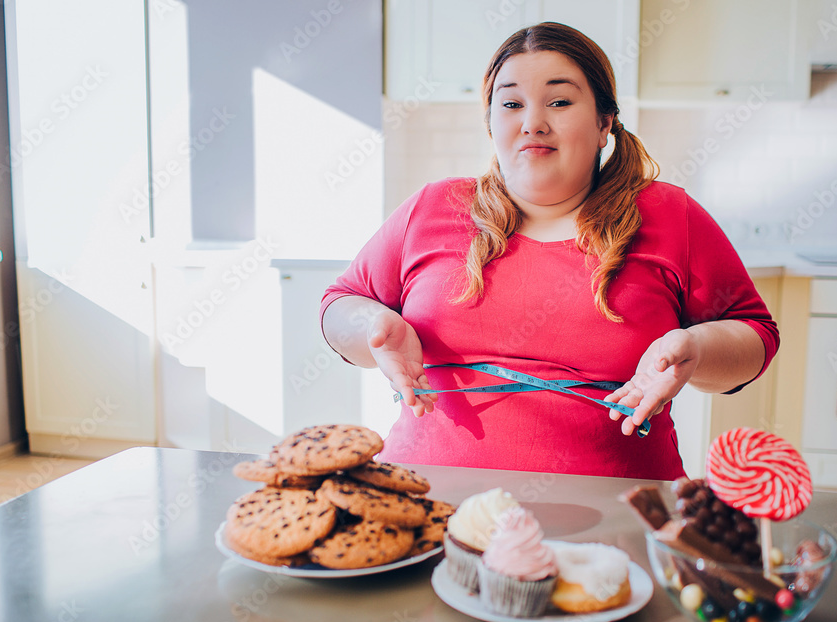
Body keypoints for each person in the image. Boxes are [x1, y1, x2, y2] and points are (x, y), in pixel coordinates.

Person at [319, 22, 778, 480]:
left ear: (604, 123)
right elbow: (338, 305)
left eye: (558, 102)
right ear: (491, 122)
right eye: (512, 104)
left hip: (618, 520)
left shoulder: (667, 214)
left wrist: (698, 346)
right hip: (429, 503)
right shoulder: (434, 207)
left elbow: (756, 335)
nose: (532, 123)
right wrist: (373, 328)